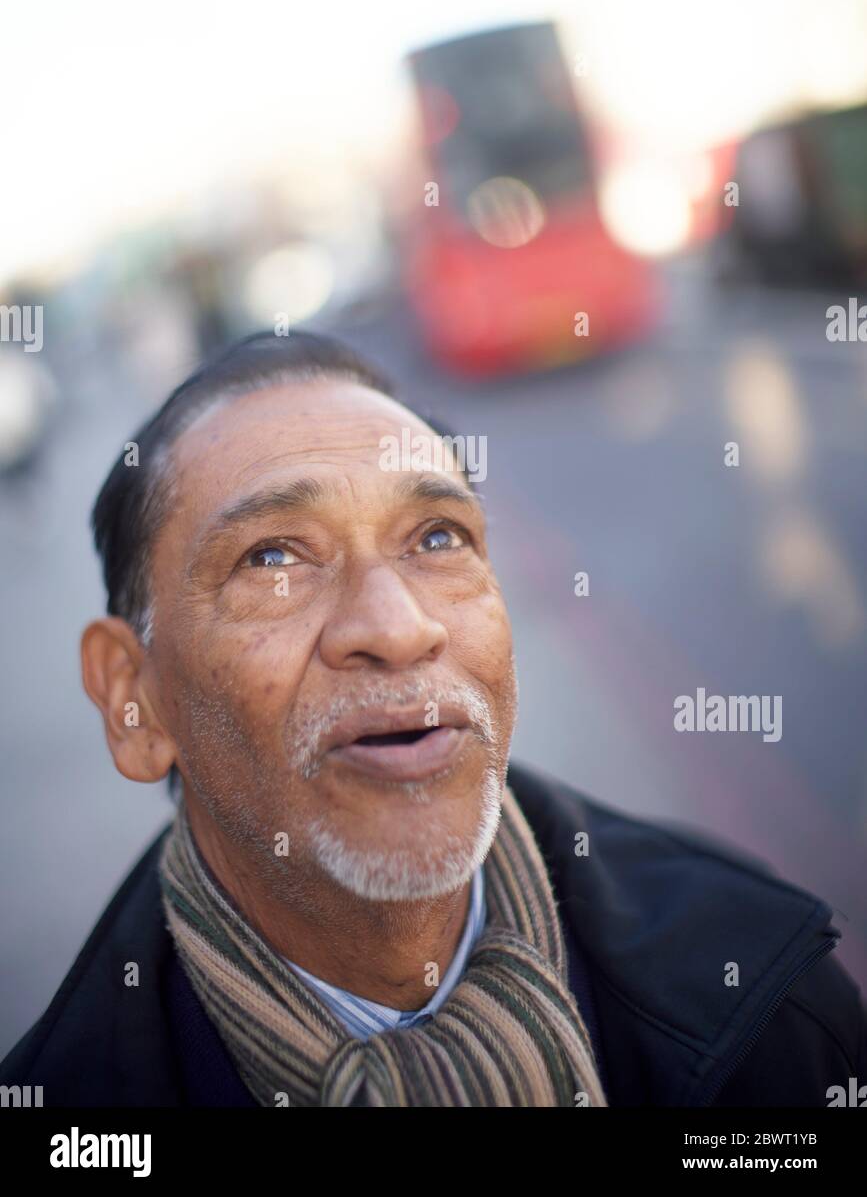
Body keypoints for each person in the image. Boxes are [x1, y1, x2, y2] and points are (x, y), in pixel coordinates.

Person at [2, 330, 865, 1107]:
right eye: (272, 558)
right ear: (133, 699)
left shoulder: (771, 996)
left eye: (438, 538)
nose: (397, 626)